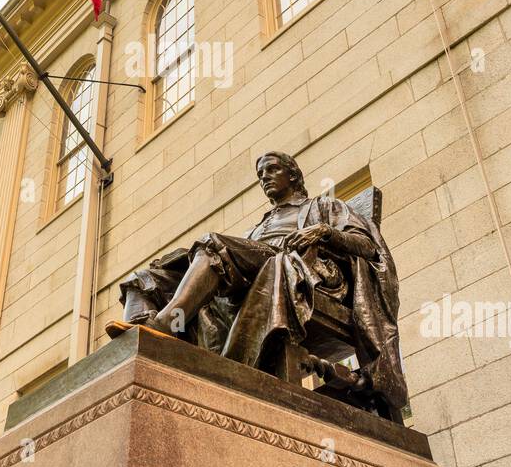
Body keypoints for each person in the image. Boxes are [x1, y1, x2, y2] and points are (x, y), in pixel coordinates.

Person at [111, 151, 407, 417]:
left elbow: (368, 246)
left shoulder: (323, 205)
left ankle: (164, 325)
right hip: (253, 276)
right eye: (260, 173)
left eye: (272, 169)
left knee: (212, 246)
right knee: (147, 277)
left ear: (293, 175)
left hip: (307, 274)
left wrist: (323, 232)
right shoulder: (255, 229)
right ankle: (136, 340)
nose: (264, 177)